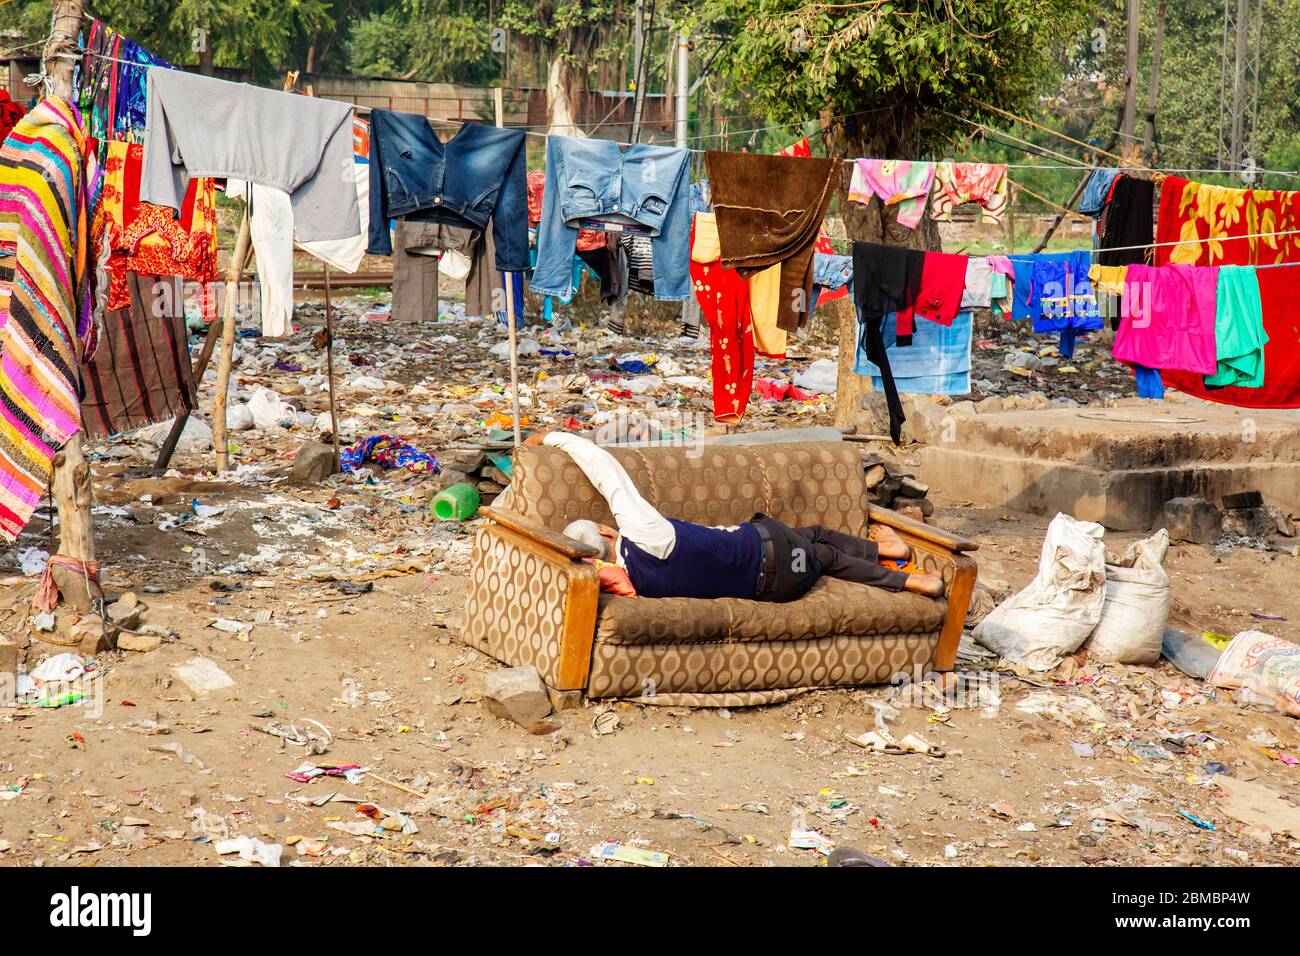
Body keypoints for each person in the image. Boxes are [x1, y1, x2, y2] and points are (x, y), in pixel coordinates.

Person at [525, 431, 944, 601]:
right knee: (821, 552)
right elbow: (605, 469)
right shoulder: (643, 532)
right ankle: (910, 578)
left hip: (770, 586)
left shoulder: (631, 586)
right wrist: (553, 438)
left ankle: (882, 547)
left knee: (811, 536)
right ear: (604, 530)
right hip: (771, 555)